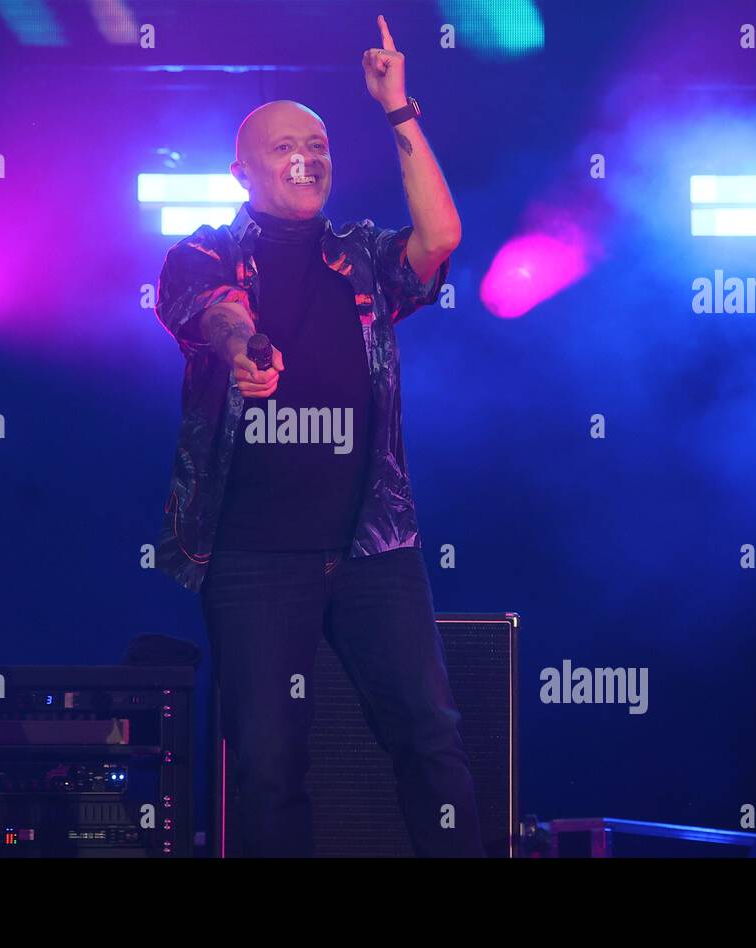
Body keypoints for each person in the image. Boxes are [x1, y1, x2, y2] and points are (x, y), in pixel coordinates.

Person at [154, 16, 482, 857]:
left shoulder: (363, 257)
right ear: (240, 170)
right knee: (267, 763)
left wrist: (399, 109)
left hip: (374, 547)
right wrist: (243, 355)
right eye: (284, 145)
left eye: (319, 141)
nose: (307, 154)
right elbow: (217, 314)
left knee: (430, 736)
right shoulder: (202, 252)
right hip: (255, 553)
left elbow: (440, 238)